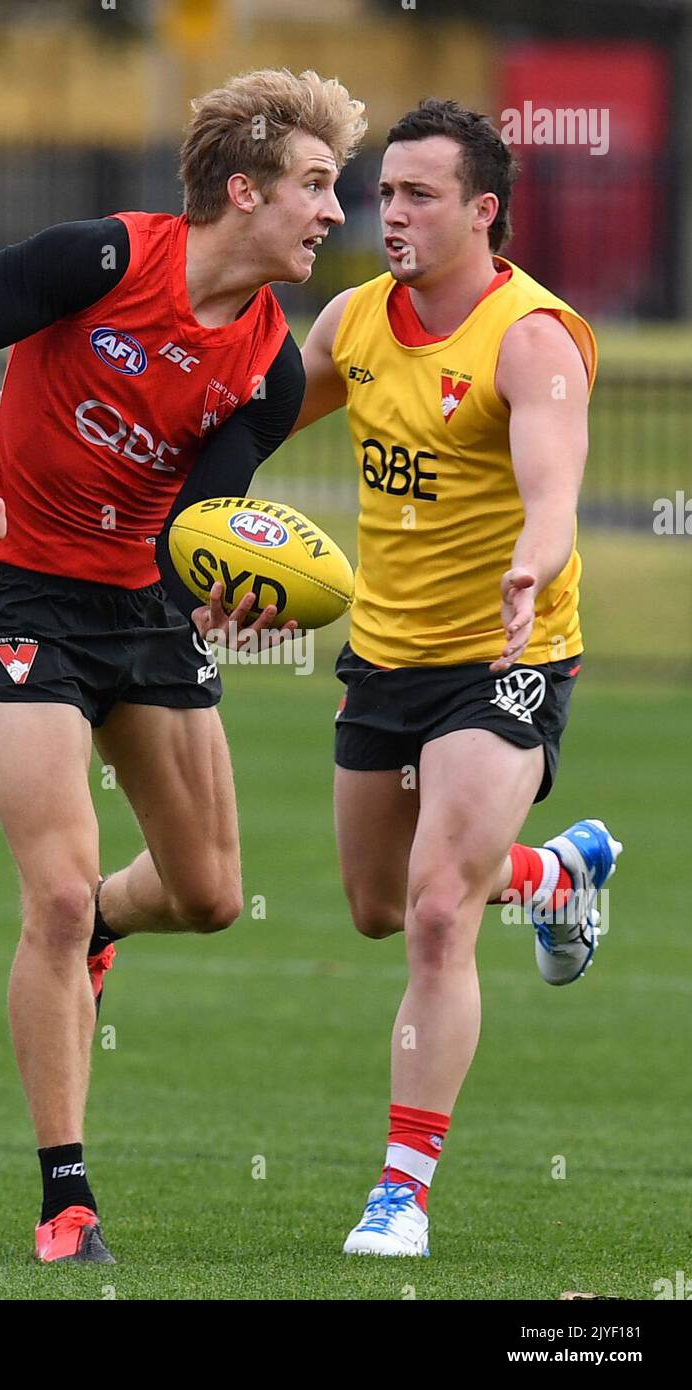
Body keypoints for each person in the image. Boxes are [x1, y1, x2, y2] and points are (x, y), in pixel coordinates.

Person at [0, 68, 366, 1264]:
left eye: (338, 189)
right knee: (47, 891)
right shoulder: (101, 260)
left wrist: (230, 591)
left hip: (141, 612)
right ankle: (66, 1196)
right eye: (315, 185)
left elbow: (198, 525)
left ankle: (107, 919)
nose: (333, 213)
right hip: (21, 597)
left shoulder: (269, 370)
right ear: (242, 189)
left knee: (206, 894)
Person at [295, 98, 622, 1258]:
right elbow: (246, 423)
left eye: (417, 194)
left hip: (506, 657)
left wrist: (532, 568)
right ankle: (551, 874)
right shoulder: (354, 322)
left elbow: (553, 489)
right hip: (382, 654)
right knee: (379, 909)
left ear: (482, 211)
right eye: (384, 192)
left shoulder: (531, 337)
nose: (389, 214)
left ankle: (400, 1193)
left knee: (439, 911)